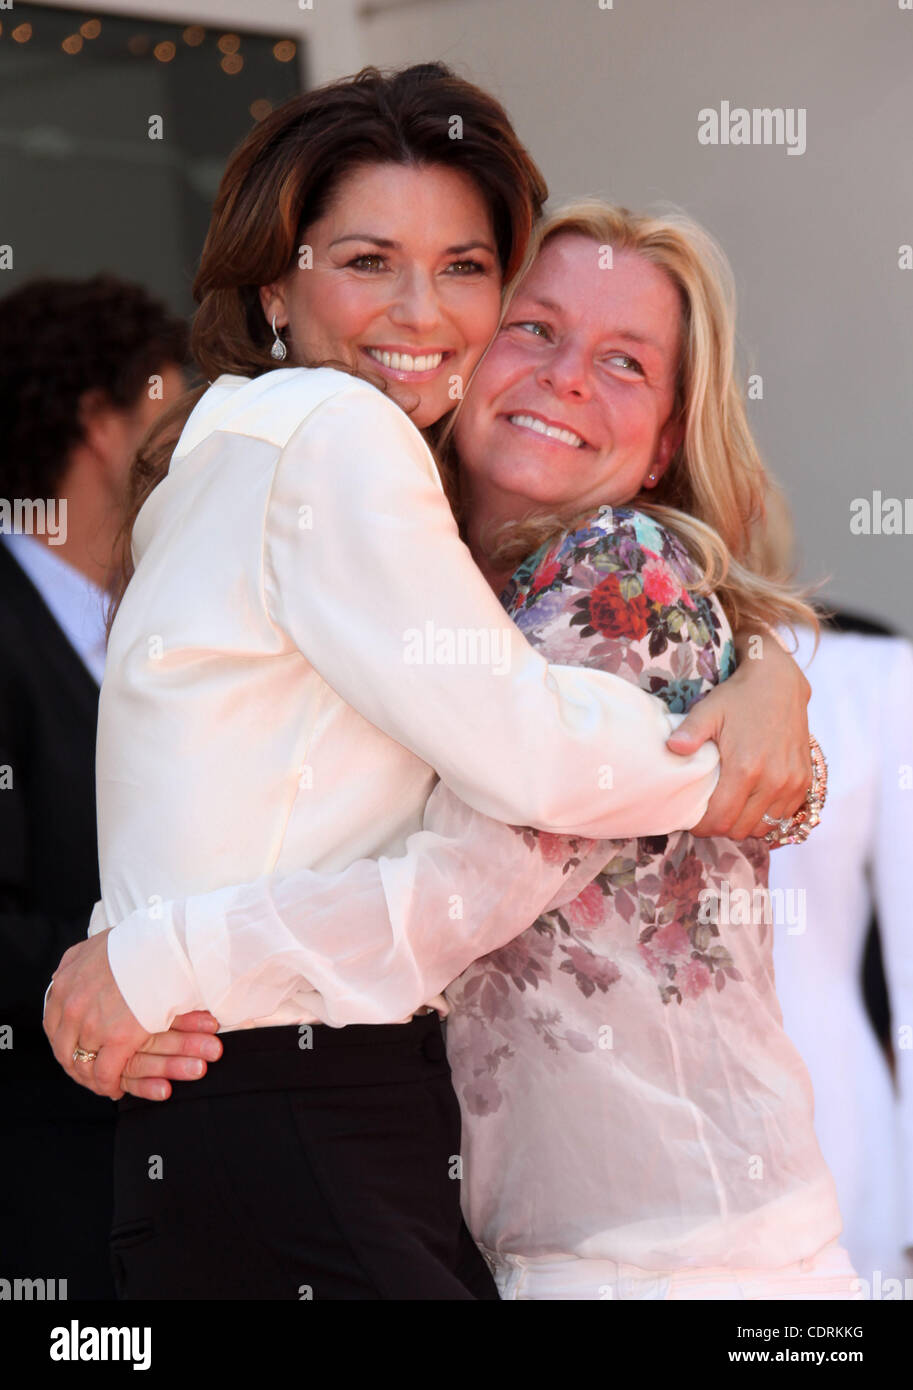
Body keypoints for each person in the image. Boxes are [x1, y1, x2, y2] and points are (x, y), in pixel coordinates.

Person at [44, 67, 815, 1301]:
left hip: (672, 1252)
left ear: (668, 435)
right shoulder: (347, 468)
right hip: (366, 1159)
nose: (425, 310)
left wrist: (146, 962)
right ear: (273, 287)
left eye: (463, 268)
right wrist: (133, 963)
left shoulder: (597, 560)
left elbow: (477, 865)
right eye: (537, 325)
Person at [0, 274, 187, 1298]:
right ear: (102, 422)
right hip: (43, 1195)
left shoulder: (146, 622)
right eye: (173, 402)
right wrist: (150, 960)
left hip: (140, 1182)